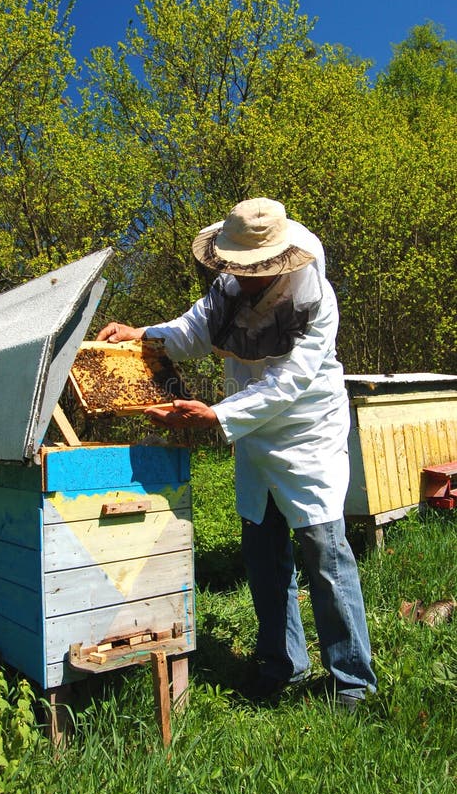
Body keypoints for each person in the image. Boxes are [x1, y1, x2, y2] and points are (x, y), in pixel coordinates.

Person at [97, 197, 377, 710]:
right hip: (253, 435)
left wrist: (217, 416)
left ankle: (353, 680)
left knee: (325, 554)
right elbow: (192, 331)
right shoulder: (228, 286)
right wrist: (142, 335)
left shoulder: (315, 300)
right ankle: (281, 663)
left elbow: (288, 383)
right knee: (263, 552)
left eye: (252, 268)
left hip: (306, 433)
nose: (242, 275)